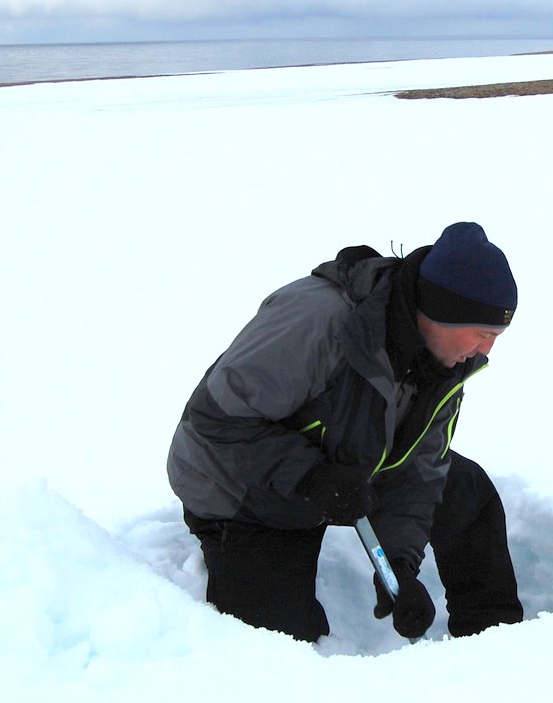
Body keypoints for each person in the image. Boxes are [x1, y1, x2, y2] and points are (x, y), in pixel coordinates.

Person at [167, 222, 525, 643]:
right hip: (243, 492)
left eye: (496, 336)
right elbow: (214, 423)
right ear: (441, 312)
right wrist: (311, 476)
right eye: (483, 334)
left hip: (349, 467)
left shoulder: (445, 362)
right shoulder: (319, 321)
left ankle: (498, 649)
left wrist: (398, 568)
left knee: (468, 495)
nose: (486, 350)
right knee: (277, 646)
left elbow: (420, 471)